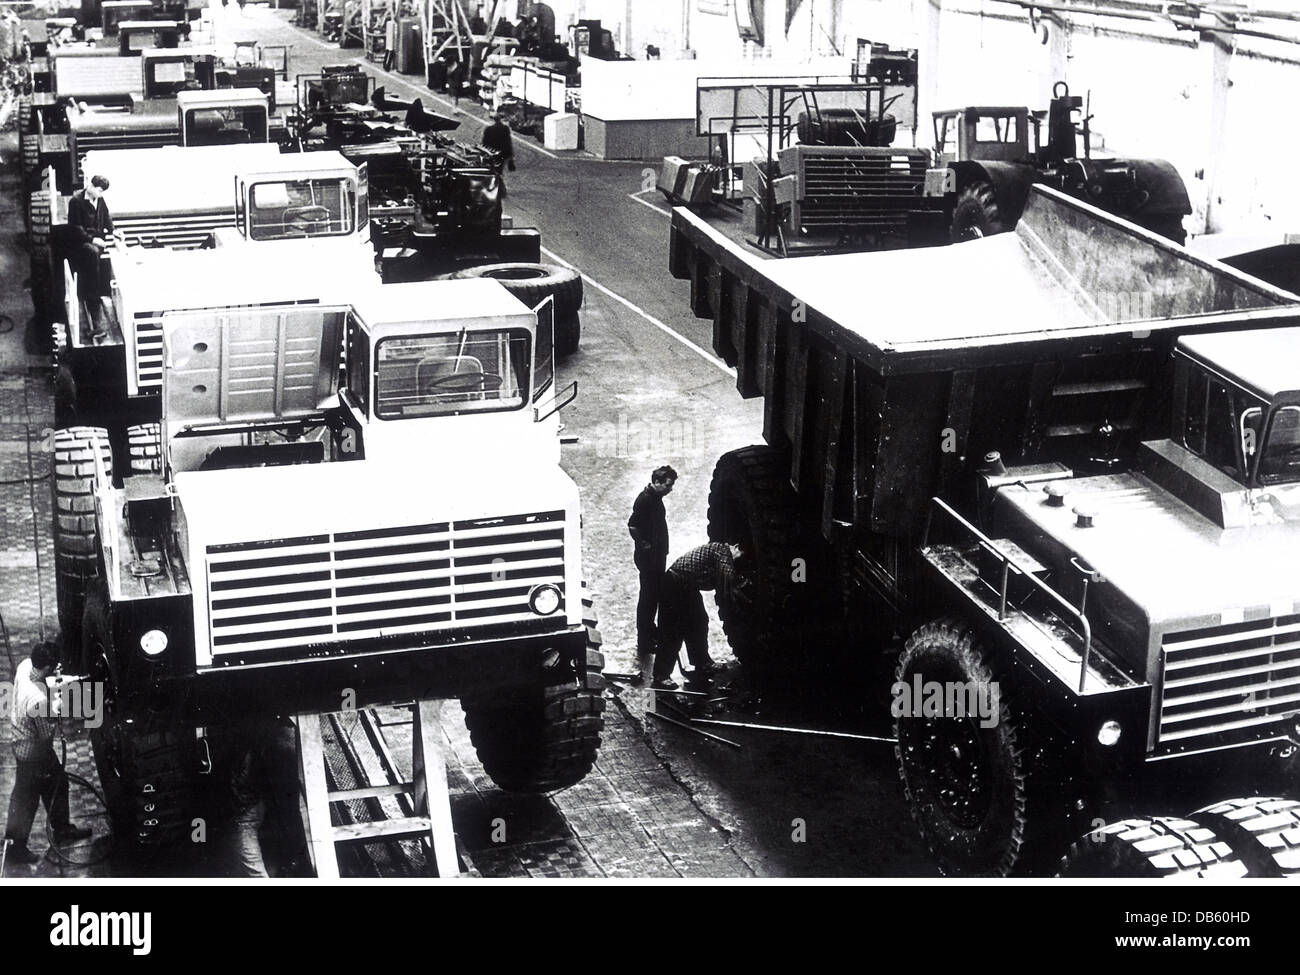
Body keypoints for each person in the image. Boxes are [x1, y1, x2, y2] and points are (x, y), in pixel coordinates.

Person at [3, 643, 93, 866]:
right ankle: (16, 848)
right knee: (26, 800)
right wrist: (57, 709)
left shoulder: (25, 667)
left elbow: (43, 684)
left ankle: (62, 829)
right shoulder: (38, 701)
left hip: (22, 741)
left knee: (58, 782)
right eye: (54, 666)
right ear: (47, 667)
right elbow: (46, 735)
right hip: (33, 752)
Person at [652, 542, 748, 690]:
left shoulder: (719, 551)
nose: (738, 560)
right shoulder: (724, 553)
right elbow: (727, 579)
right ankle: (661, 676)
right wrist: (740, 604)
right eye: (740, 555)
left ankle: (702, 662)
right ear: (736, 547)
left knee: (699, 622)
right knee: (672, 631)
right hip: (674, 584)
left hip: (688, 585)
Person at [627, 466, 677, 662]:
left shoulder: (655, 498)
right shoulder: (645, 500)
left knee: (653, 596)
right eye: (667, 485)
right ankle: (645, 641)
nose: (670, 489)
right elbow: (632, 525)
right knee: (648, 599)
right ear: (656, 482)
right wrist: (644, 544)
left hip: (656, 556)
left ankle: (650, 632)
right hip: (649, 559)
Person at [66, 174, 121, 342]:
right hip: (82, 242)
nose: (100, 194)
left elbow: (106, 218)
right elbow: (75, 228)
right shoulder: (76, 202)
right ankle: (92, 296)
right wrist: (92, 240)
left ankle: (97, 290)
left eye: (102, 191)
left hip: (96, 241)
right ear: (90, 186)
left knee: (96, 254)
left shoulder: (100, 200)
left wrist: (113, 231)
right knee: (91, 254)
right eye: (99, 190)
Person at [481, 113, 515, 195]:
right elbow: (508, 142)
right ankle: (500, 188)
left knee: (494, 170)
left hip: (492, 153)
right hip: (503, 153)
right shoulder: (505, 129)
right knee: (499, 170)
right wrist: (511, 157)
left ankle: (498, 188)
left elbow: (484, 142)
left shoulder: (488, 129)